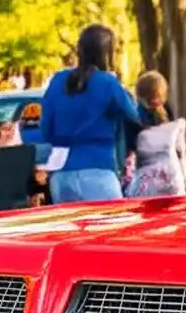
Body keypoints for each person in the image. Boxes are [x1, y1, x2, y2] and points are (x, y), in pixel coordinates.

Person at [39, 24, 141, 203]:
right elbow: (133, 115)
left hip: (61, 174)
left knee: (70, 231)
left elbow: (46, 127)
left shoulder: (57, 80)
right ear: (107, 54)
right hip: (98, 169)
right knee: (111, 229)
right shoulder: (108, 83)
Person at [125, 71, 186, 197]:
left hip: (146, 180)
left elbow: (130, 149)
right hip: (171, 177)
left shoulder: (135, 117)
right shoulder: (169, 117)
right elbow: (179, 151)